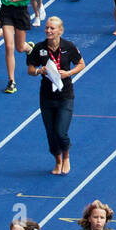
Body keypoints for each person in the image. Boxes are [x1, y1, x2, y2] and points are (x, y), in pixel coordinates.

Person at [27, 18, 87, 174]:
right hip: (46, 96)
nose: (48, 31)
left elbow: (81, 64)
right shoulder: (40, 48)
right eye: (47, 28)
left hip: (65, 95)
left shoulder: (68, 47)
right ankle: (57, 160)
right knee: (51, 133)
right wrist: (39, 71)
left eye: (52, 28)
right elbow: (30, 69)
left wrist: (68, 73)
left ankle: (66, 156)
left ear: (60, 31)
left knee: (61, 131)